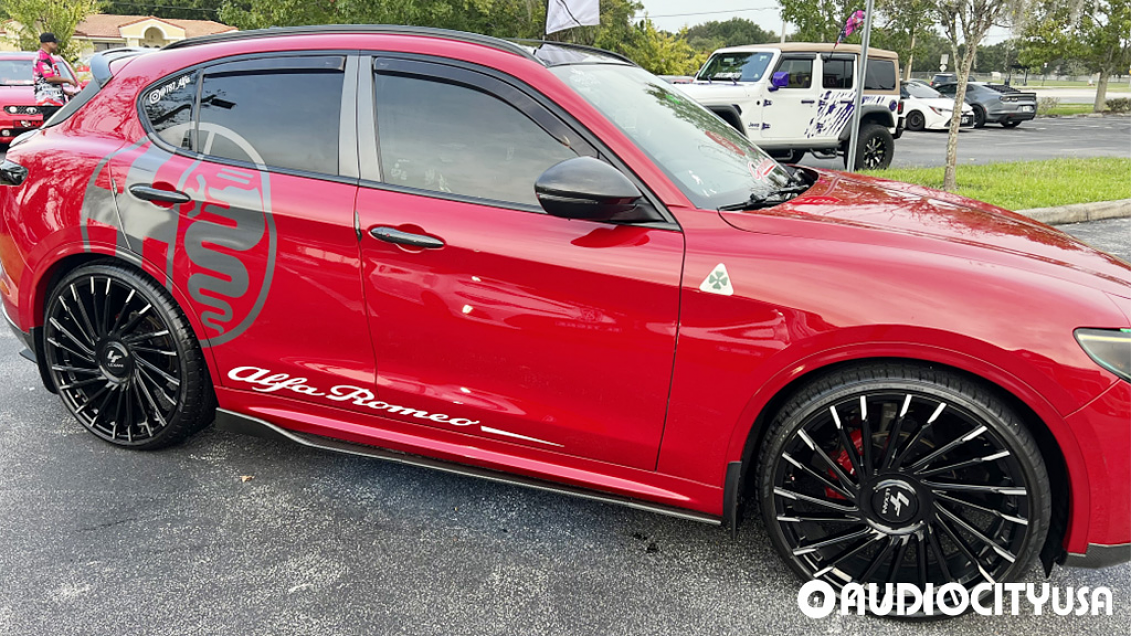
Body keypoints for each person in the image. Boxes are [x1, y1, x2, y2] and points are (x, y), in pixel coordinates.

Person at [32, 33, 77, 122]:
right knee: (51, 126)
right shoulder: (42, 58)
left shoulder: (48, 57)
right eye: (54, 43)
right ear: (47, 43)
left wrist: (64, 91)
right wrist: (68, 80)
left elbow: (49, 81)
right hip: (48, 100)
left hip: (55, 99)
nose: (56, 45)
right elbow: (49, 78)